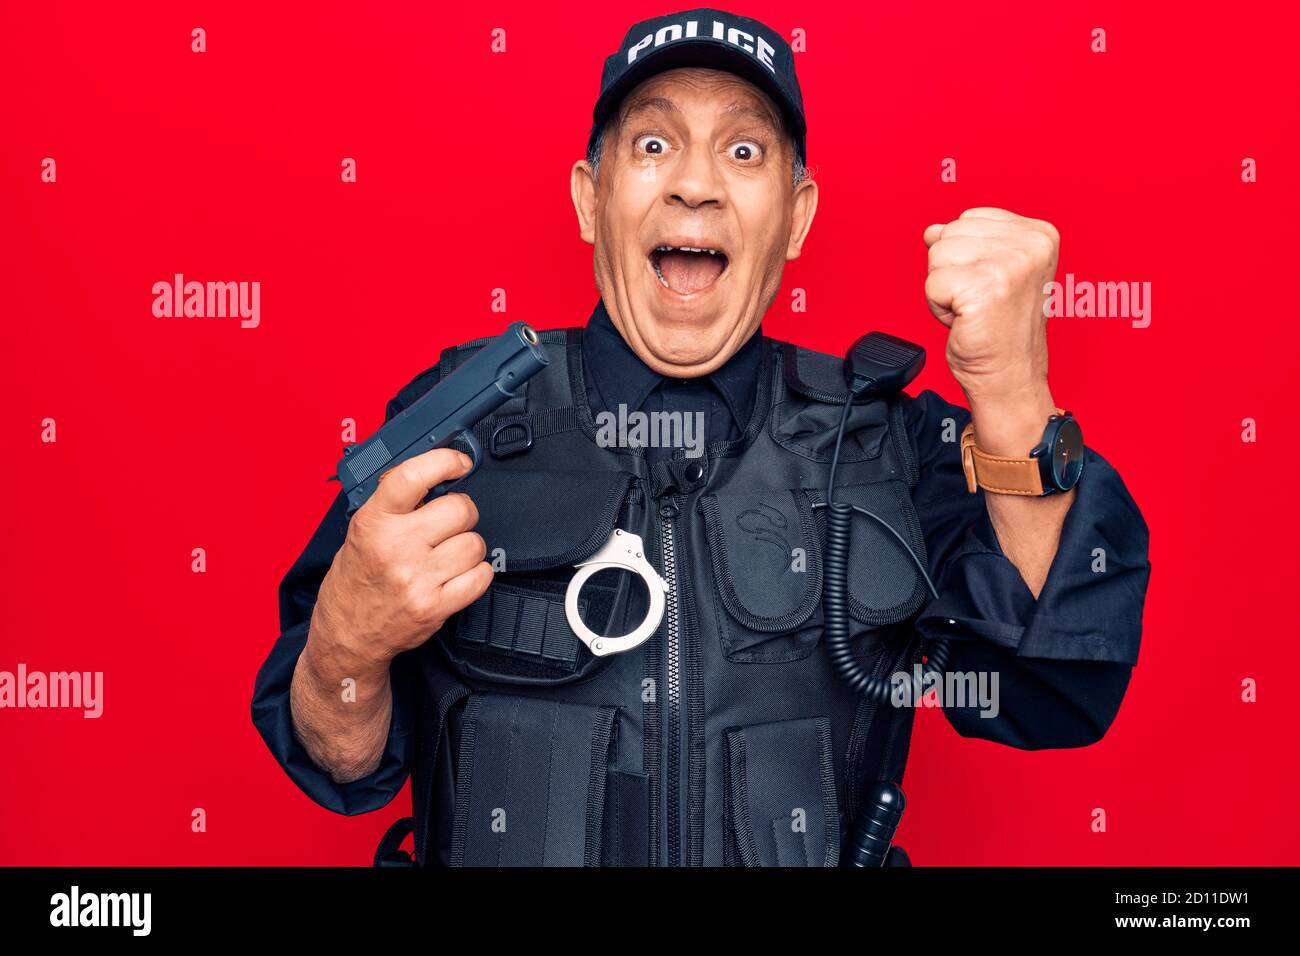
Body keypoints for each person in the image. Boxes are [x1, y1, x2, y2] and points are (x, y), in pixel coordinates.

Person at [252, 8, 1150, 867]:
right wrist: (346, 643)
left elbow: (1055, 690)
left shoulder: (885, 438)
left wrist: (1013, 393)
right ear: (588, 199)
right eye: (652, 145)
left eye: (744, 150)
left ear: (795, 218)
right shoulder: (457, 422)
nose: (694, 182)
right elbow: (336, 758)